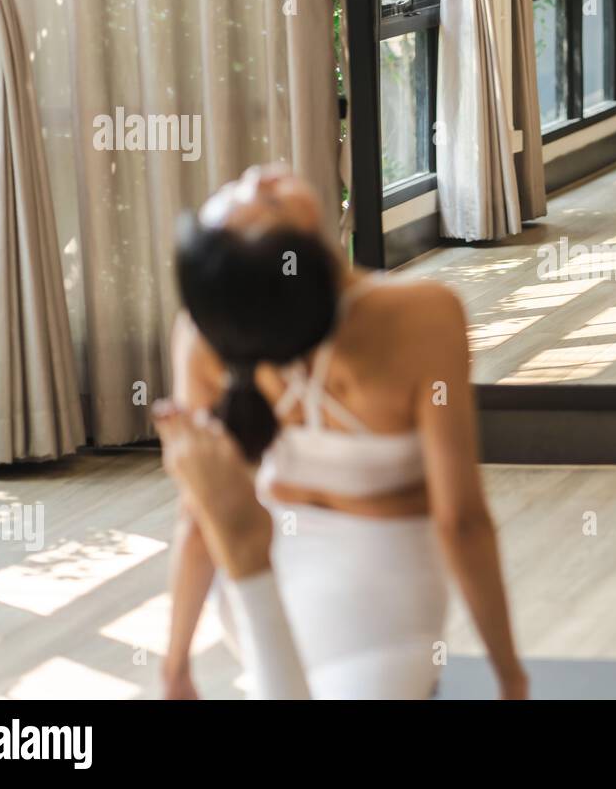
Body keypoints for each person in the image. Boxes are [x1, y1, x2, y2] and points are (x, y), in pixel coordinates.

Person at [158, 164, 526, 699]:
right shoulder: (423, 315)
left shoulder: (206, 333)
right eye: (258, 197)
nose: (258, 176)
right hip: (387, 616)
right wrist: (511, 678)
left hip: (259, 591)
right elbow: (461, 522)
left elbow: (198, 519)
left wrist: (175, 669)